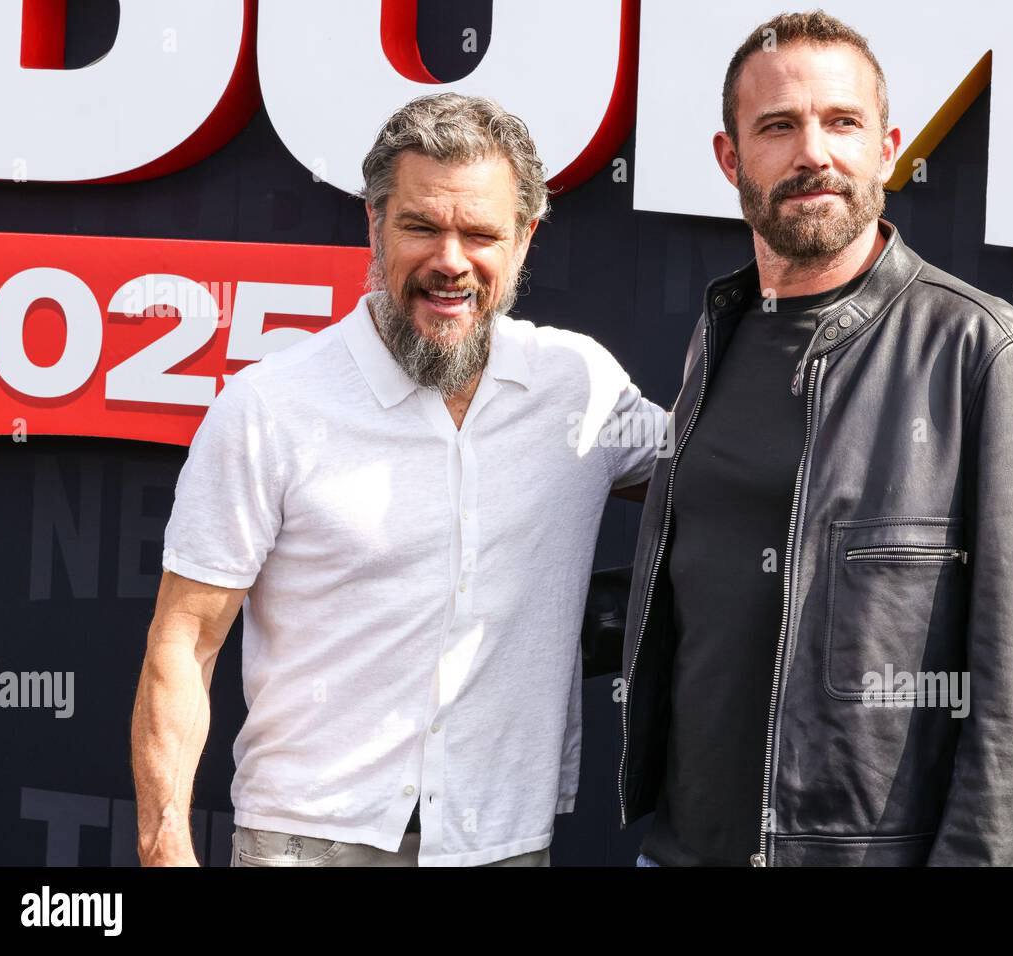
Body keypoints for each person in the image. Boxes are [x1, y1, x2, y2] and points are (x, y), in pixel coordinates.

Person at [131, 92, 663, 867]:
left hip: (502, 844)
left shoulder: (577, 385)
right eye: (421, 226)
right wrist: (163, 847)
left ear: (523, 241)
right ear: (374, 226)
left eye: (480, 232)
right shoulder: (269, 407)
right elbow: (184, 640)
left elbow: (712, 470)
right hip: (304, 844)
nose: (451, 260)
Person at [619, 11, 1013, 866]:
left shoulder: (984, 353)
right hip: (677, 851)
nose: (814, 155)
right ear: (730, 159)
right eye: (778, 127)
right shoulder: (719, 332)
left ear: (887, 148)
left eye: (842, 123)